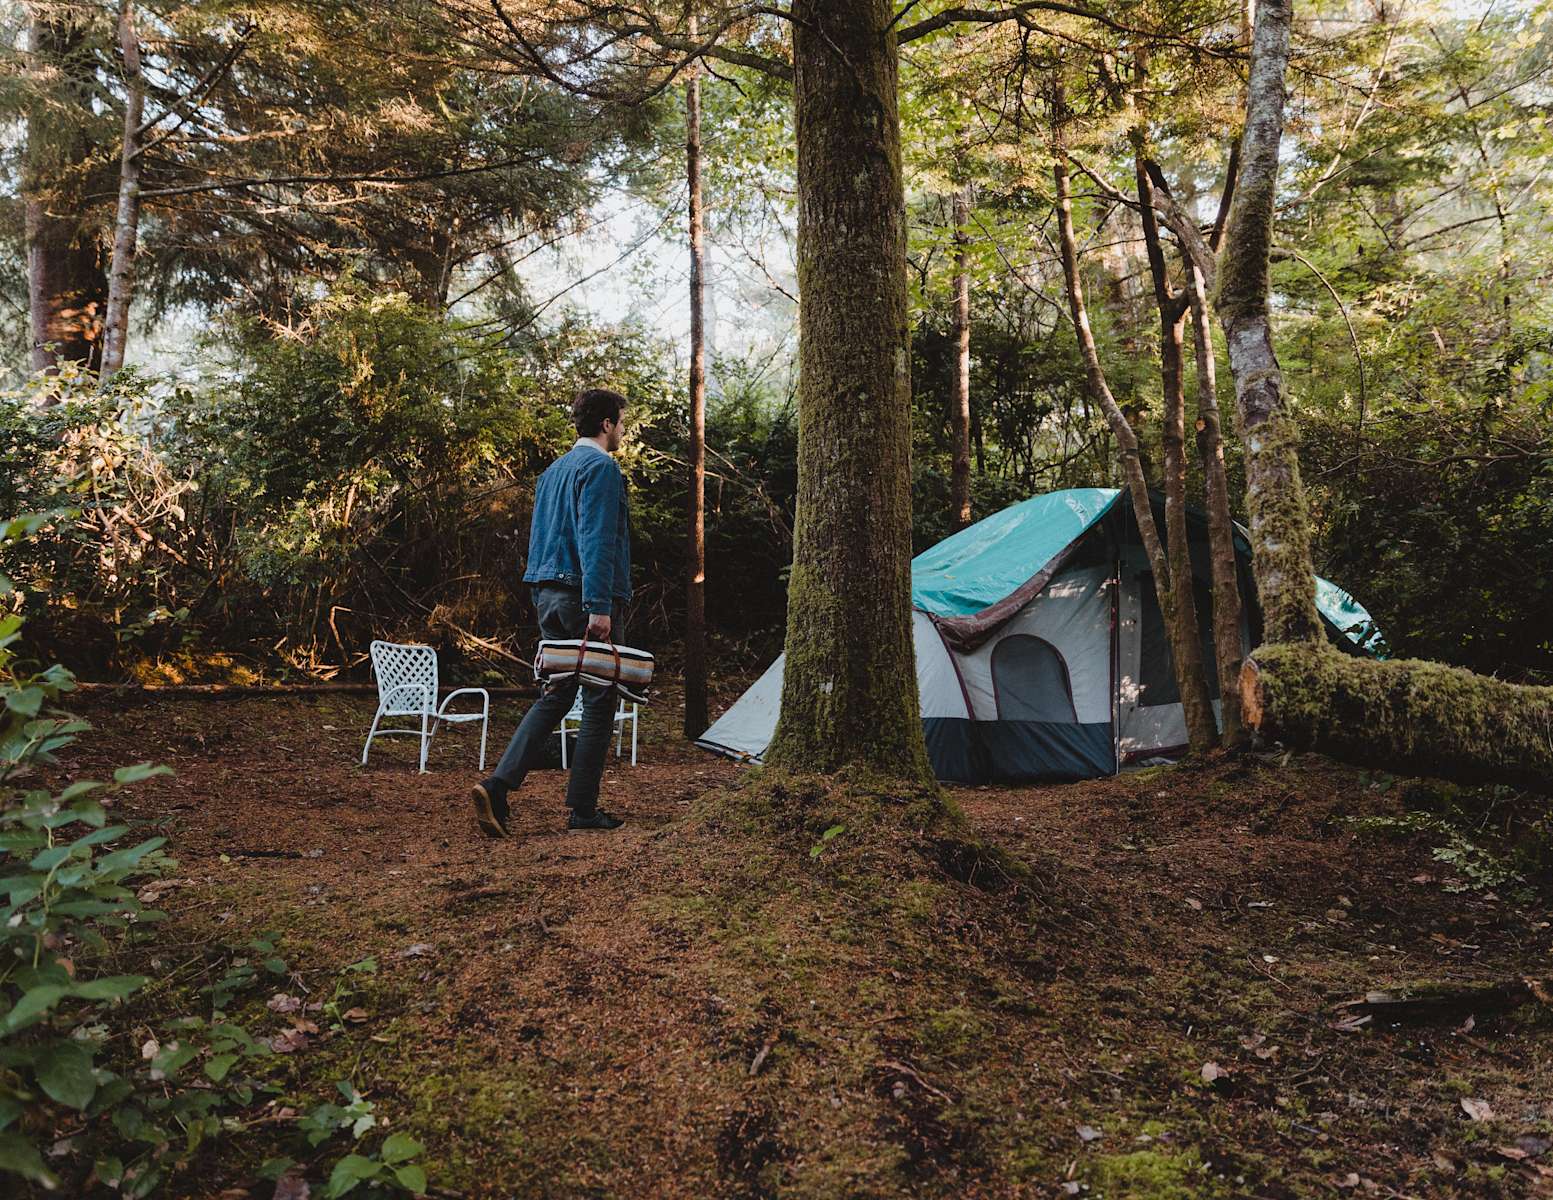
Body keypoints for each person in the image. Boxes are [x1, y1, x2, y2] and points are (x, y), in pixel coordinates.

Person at [472, 387, 632, 835]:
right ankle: (583, 812)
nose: (622, 430)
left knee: (558, 695)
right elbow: (597, 539)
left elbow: (543, 539)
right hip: (587, 598)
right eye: (620, 421)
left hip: (548, 595)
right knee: (600, 701)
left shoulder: (553, 472)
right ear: (606, 424)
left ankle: (498, 786)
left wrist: (544, 596)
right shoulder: (601, 468)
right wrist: (599, 606)